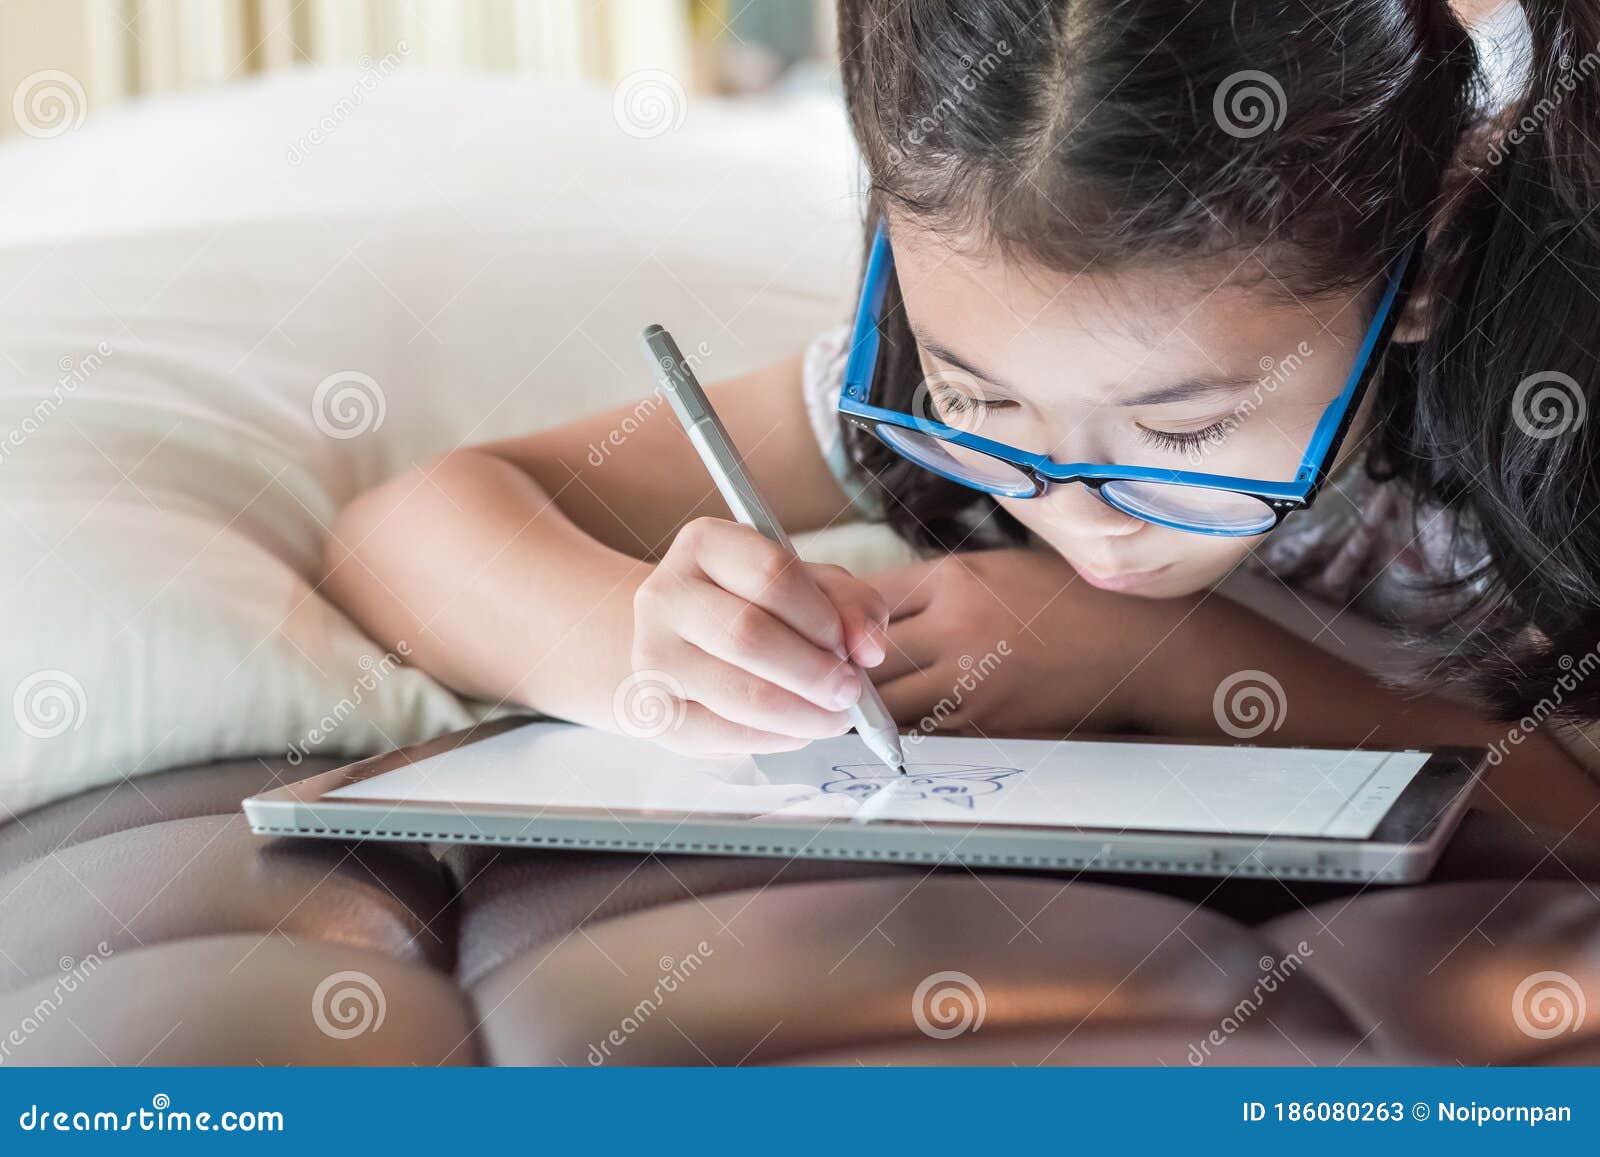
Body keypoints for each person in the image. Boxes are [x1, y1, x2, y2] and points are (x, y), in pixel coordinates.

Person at [323, 0, 1600, 835]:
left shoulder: (1550, 428)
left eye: (1180, 434)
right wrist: (660, 655)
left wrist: (1159, 656)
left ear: (1419, 269)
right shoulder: (908, 401)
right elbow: (401, 535)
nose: (1073, 512)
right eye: (980, 394)